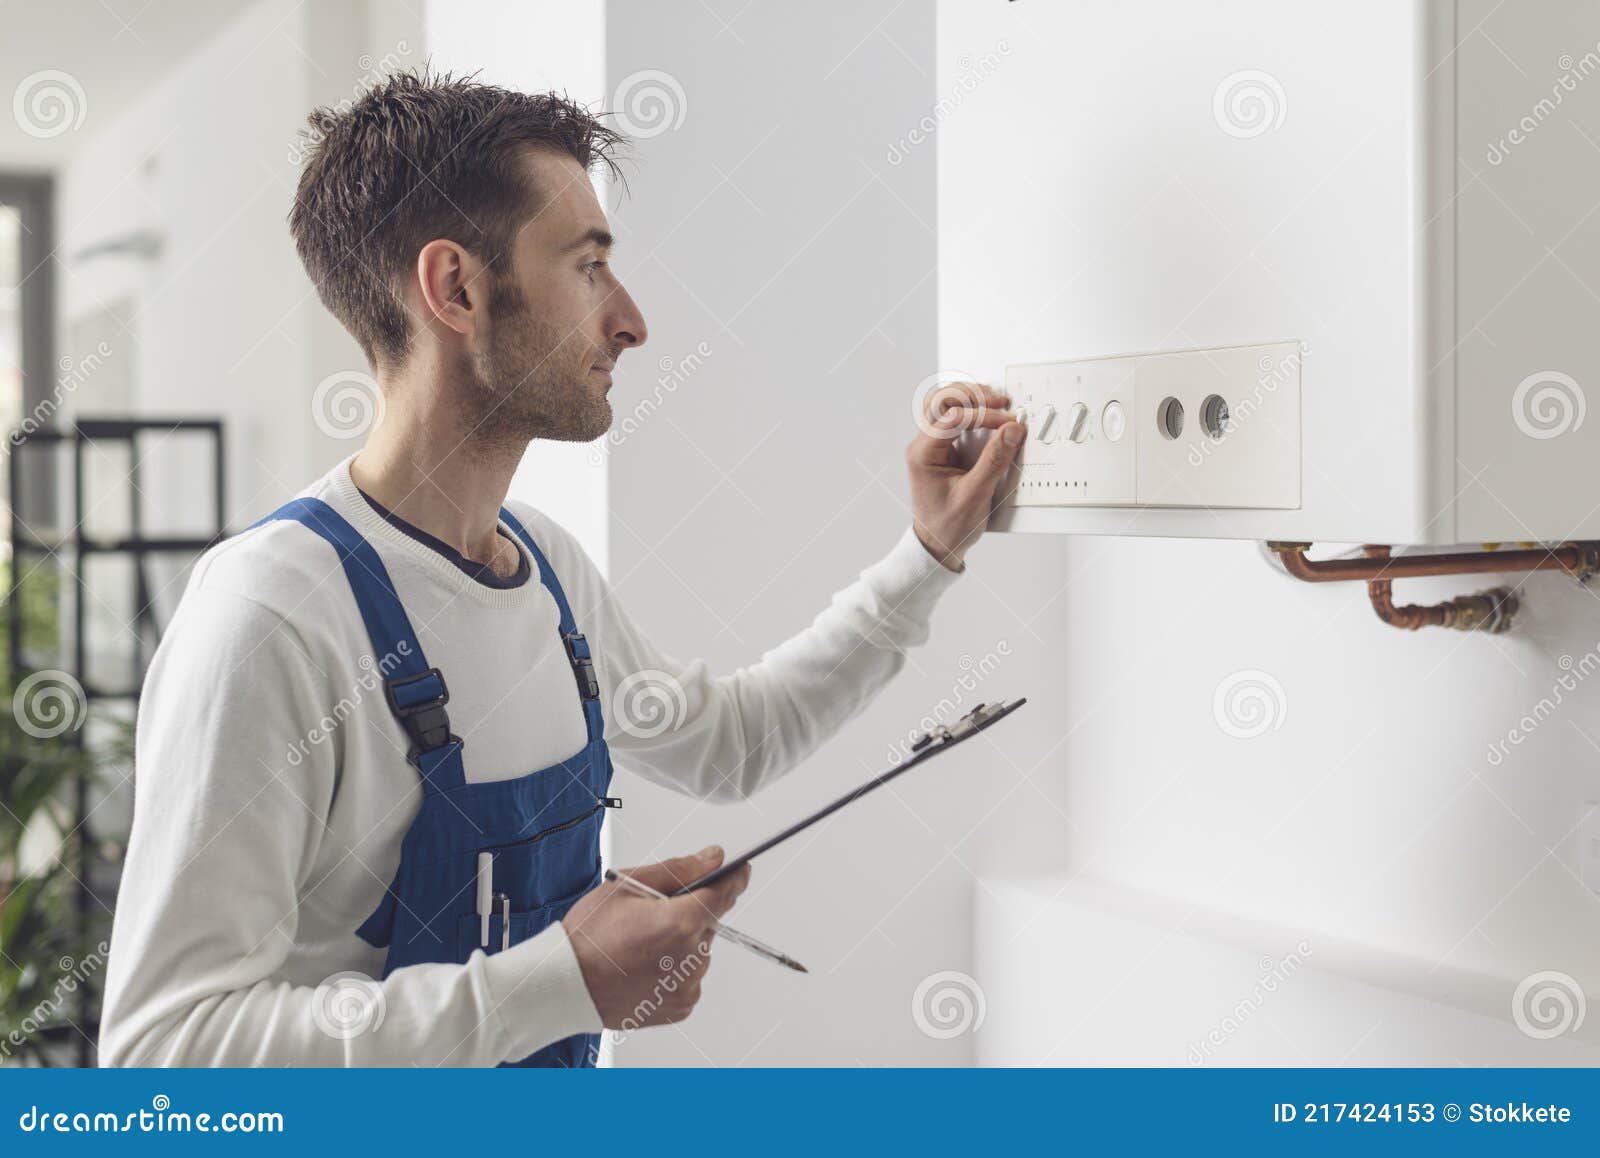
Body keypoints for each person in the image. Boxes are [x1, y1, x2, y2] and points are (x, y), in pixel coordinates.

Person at [100, 70, 1024, 1068]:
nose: (630, 322)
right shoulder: (274, 617)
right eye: (588, 268)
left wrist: (928, 553)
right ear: (454, 288)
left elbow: (729, 745)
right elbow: (164, 1054)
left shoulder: (541, 568)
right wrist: (559, 984)